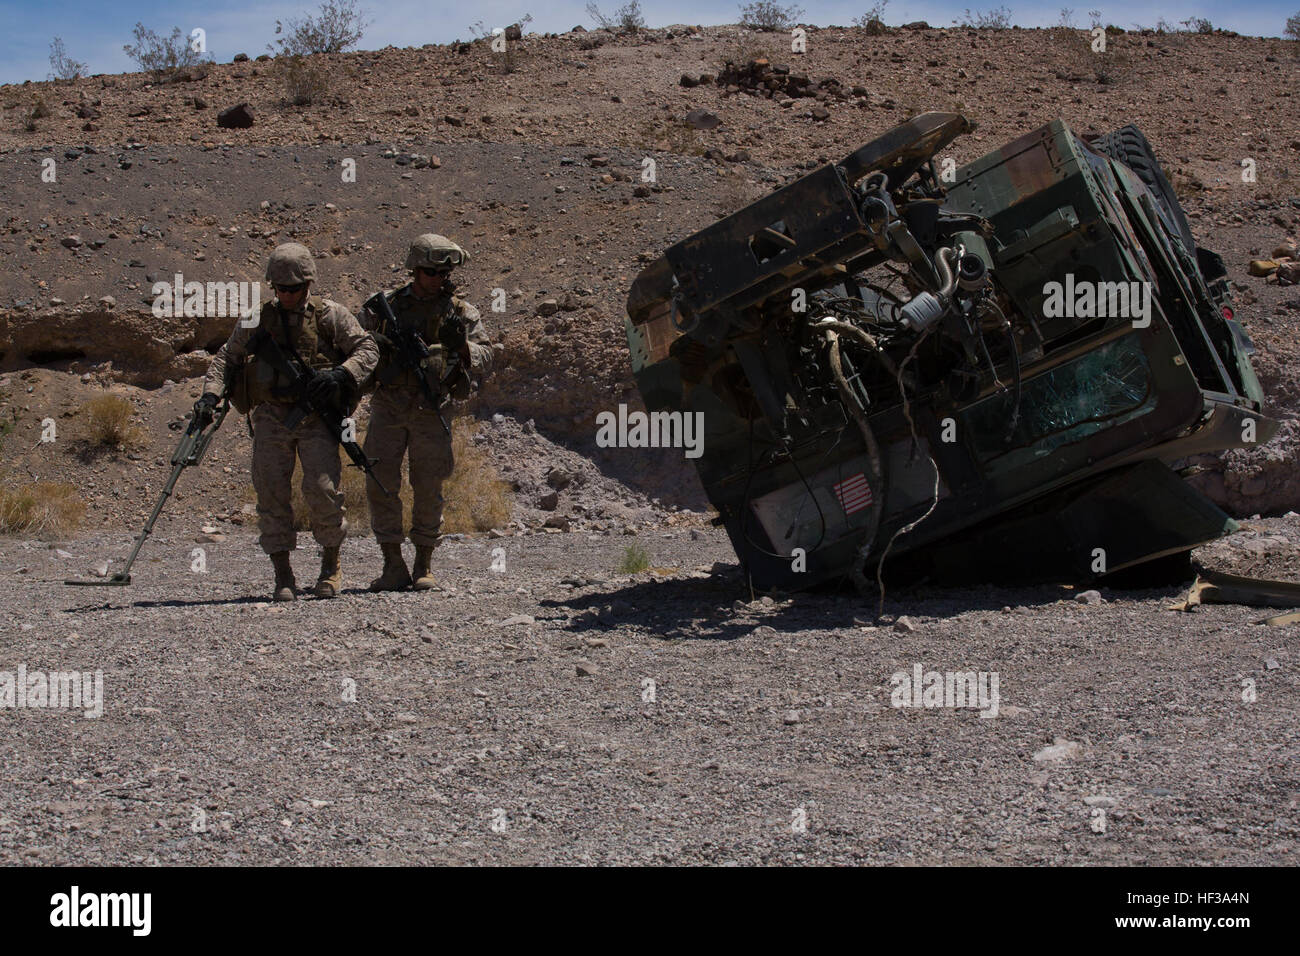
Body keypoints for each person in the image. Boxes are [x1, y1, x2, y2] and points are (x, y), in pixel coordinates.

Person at [194, 242, 378, 601]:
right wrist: (210, 396)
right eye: (281, 289)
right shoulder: (257, 319)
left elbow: (368, 349)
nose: (288, 295)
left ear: (308, 284)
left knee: (323, 491)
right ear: (272, 286)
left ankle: (330, 567)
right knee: (270, 493)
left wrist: (340, 374)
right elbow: (226, 359)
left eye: (295, 288)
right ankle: (283, 574)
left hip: (316, 420)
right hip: (270, 417)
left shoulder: (330, 315)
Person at [359, 234, 493, 591]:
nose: (438, 279)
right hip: (389, 405)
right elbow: (353, 347)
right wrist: (375, 345)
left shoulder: (460, 312)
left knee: (429, 485)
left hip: (432, 407)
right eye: (431, 272)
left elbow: (487, 355)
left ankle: (423, 564)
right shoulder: (384, 307)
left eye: (444, 273)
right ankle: (392, 564)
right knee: (380, 482)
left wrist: (462, 346)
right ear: (415, 270)